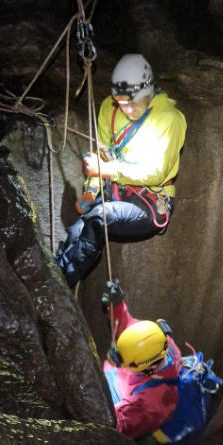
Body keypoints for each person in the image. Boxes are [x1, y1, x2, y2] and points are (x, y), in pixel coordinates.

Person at [56, 53, 186, 288]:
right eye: (121, 101)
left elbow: (155, 172)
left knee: (99, 217)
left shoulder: (169, 119)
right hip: (117, 190)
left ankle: (61, 283)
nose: (126, 108)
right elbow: (102, 157)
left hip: (151, 199)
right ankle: (55, 271)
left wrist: (106, 171)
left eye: (132, 101)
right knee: (76, 231)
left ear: (148, 90)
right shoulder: (109, 108)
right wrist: (90, 191)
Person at [101, 279, 183, 440]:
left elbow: (115, 425)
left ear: (147, 368)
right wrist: (117, 307)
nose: (115, 358)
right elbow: (132, 330)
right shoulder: (159, 342)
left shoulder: (150, 404)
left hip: (127, 400)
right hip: (129, 382)